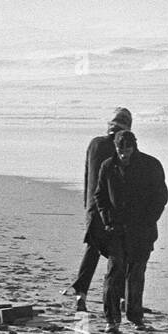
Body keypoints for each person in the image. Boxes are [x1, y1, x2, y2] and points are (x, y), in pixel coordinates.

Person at [92, 130, 168, 334]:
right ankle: (111, 319)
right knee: (114, 272)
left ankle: (135, 317)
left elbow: (161, 197)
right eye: (120, 149)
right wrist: (107, 219)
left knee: (136, 273)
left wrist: (148, 221)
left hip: (143, 230)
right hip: (116, 230)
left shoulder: (151, 165)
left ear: (134, 147)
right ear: (115, 148)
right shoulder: (108, 166)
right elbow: (99, 196)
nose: (124, 153)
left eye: (127, 149)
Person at [64, 106, 131, 313]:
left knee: (92, 250)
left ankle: (80, 293)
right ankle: (120, 298)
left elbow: (88, 175)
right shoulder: (123, 147)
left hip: (94, 208)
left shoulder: (94, 144)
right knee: (119, 254)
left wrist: (88, 205)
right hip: (114, 211)